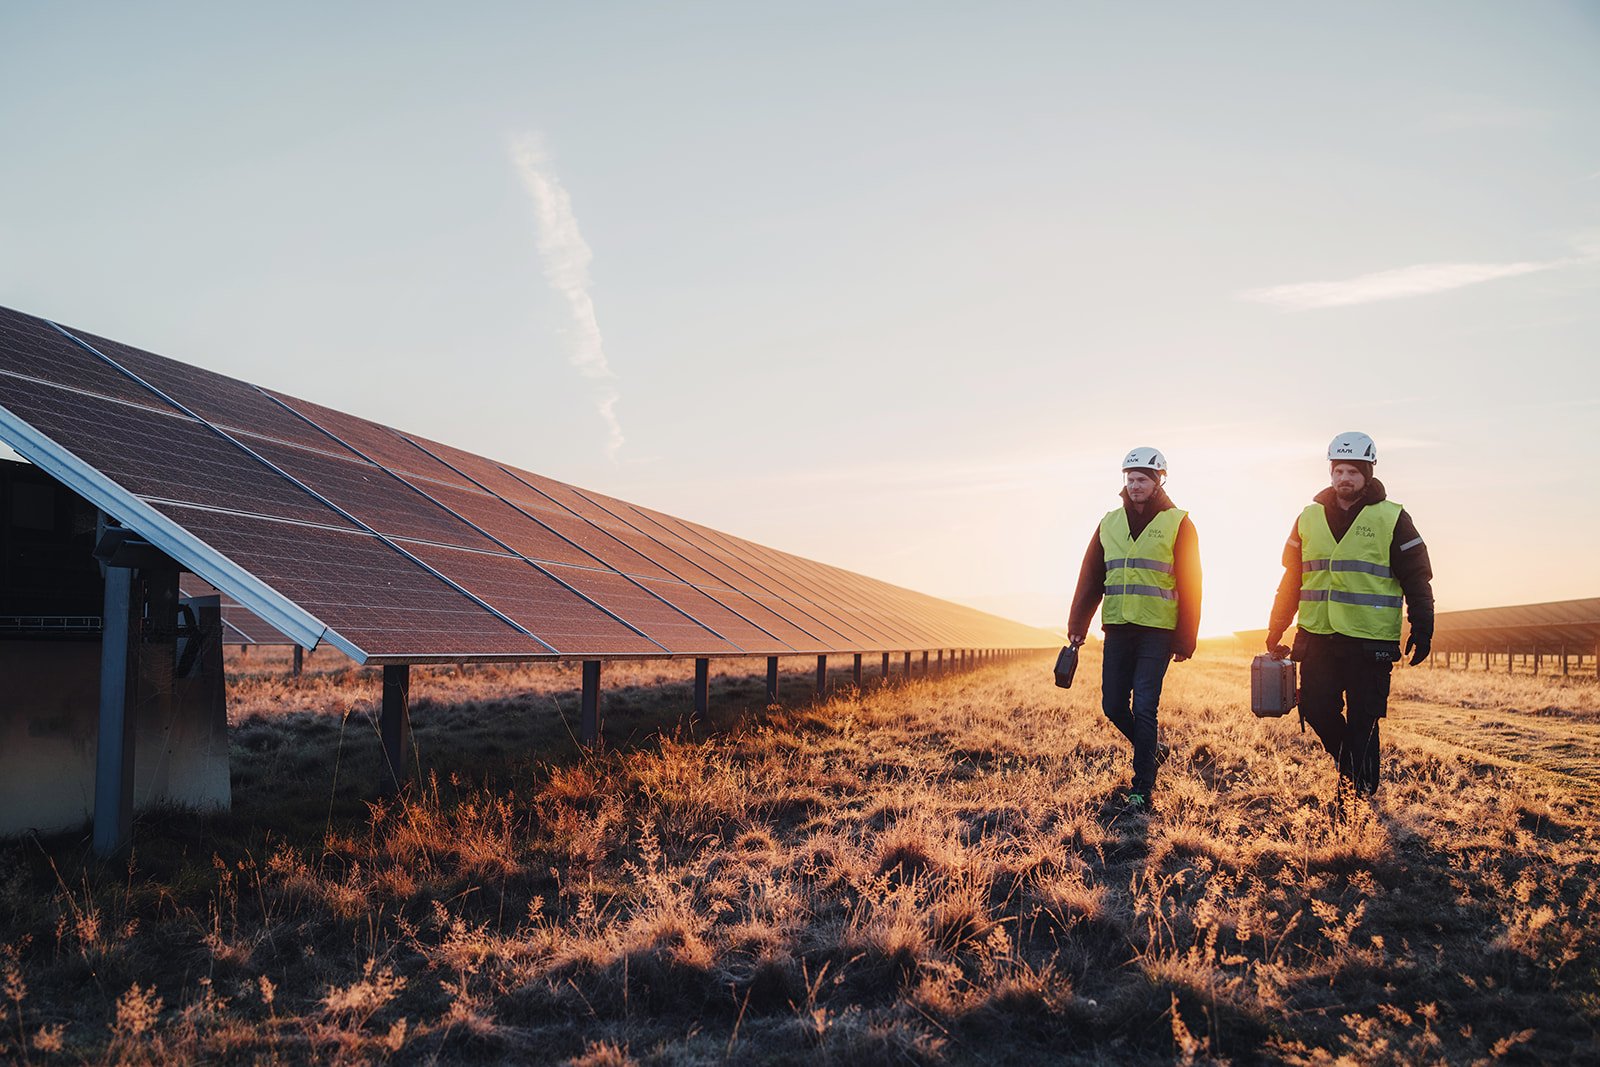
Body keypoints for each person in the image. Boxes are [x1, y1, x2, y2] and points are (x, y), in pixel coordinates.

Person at [1265, 432, 1434, 806]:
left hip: (1369, 640)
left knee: (1363, 716)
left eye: (1353, 471)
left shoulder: (1393, 518)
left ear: (1368, 473)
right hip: (1317, 637)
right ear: (1330, 472)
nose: (1344, 478)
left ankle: (1351, 789)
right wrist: (1277, 624)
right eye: (1338, 470)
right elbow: (1292, 578)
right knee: (1315, 709)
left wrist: (1423, 626)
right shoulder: (1307, 517)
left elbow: (1417, 576)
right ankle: (1356, 768)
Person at [1068, 447, 1202, 812]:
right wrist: (1078, 626)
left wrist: (1185, 637)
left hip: (1157, 630)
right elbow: (1091, 576)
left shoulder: (1179, 523)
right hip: (1117, 627)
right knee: (1113, 705)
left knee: (1144, 706)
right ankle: (1152, 750)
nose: (1135, 485)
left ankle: (1142, 787)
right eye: (1130, 479)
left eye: (1142, 479)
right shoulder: (1109, 522)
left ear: (1159, 480)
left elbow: (1192, 582)